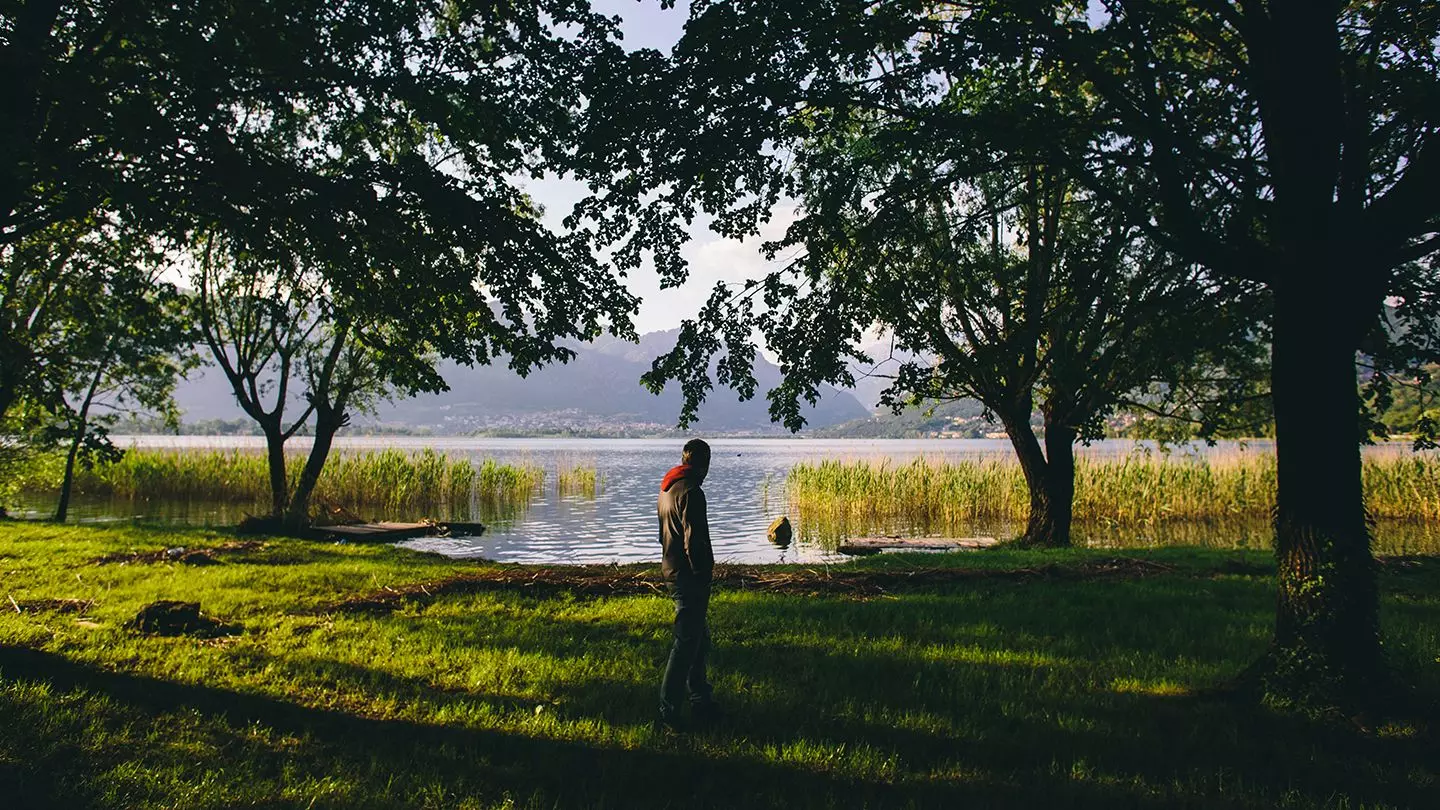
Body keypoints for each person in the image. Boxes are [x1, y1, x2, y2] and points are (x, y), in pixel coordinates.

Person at [656, 437, 719, 730]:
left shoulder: (667, 488)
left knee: (697, 638)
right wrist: (704, 573)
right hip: (688, 574)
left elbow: (663, 534)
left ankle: (700, 697)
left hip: (670, 567)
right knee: (686, 642)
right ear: (703, 464)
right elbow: (696, 541)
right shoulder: (692, 492)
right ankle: (669, 710)